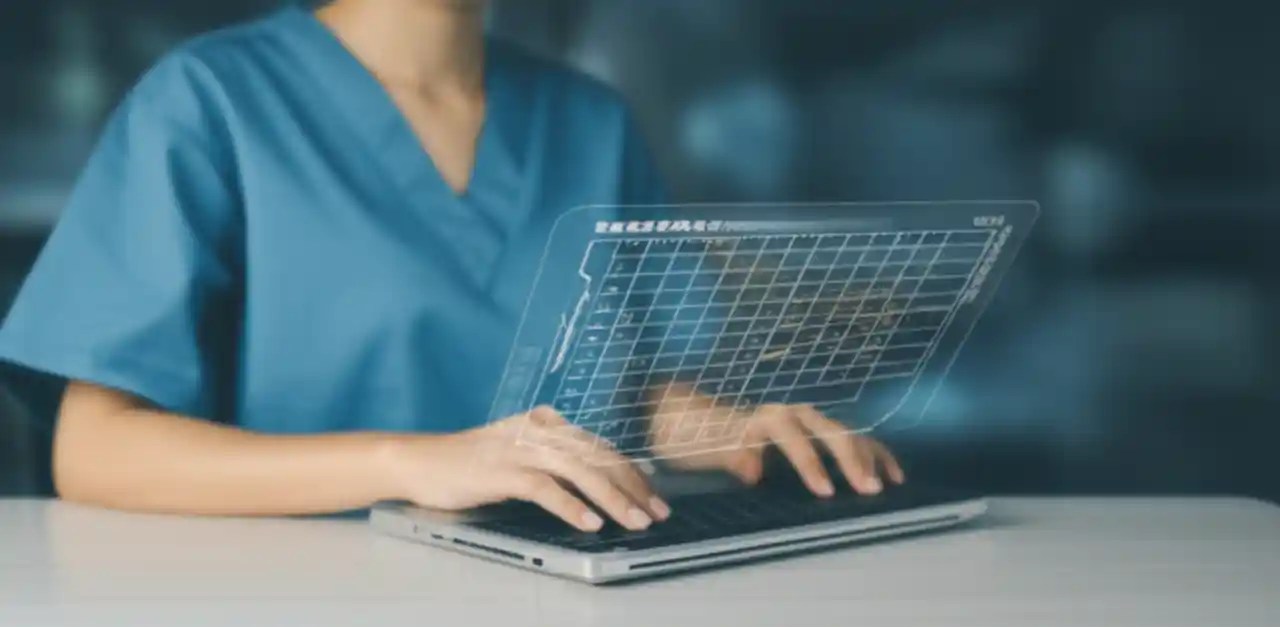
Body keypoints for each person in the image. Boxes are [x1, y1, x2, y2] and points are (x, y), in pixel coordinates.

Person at [0, 0, 903, 531]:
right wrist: (413, 463)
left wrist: (734, 431)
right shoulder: (208, 104)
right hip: (292, 622)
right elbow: (93, 450)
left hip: (572, 614)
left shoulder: (591, 121)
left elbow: (622, 392)